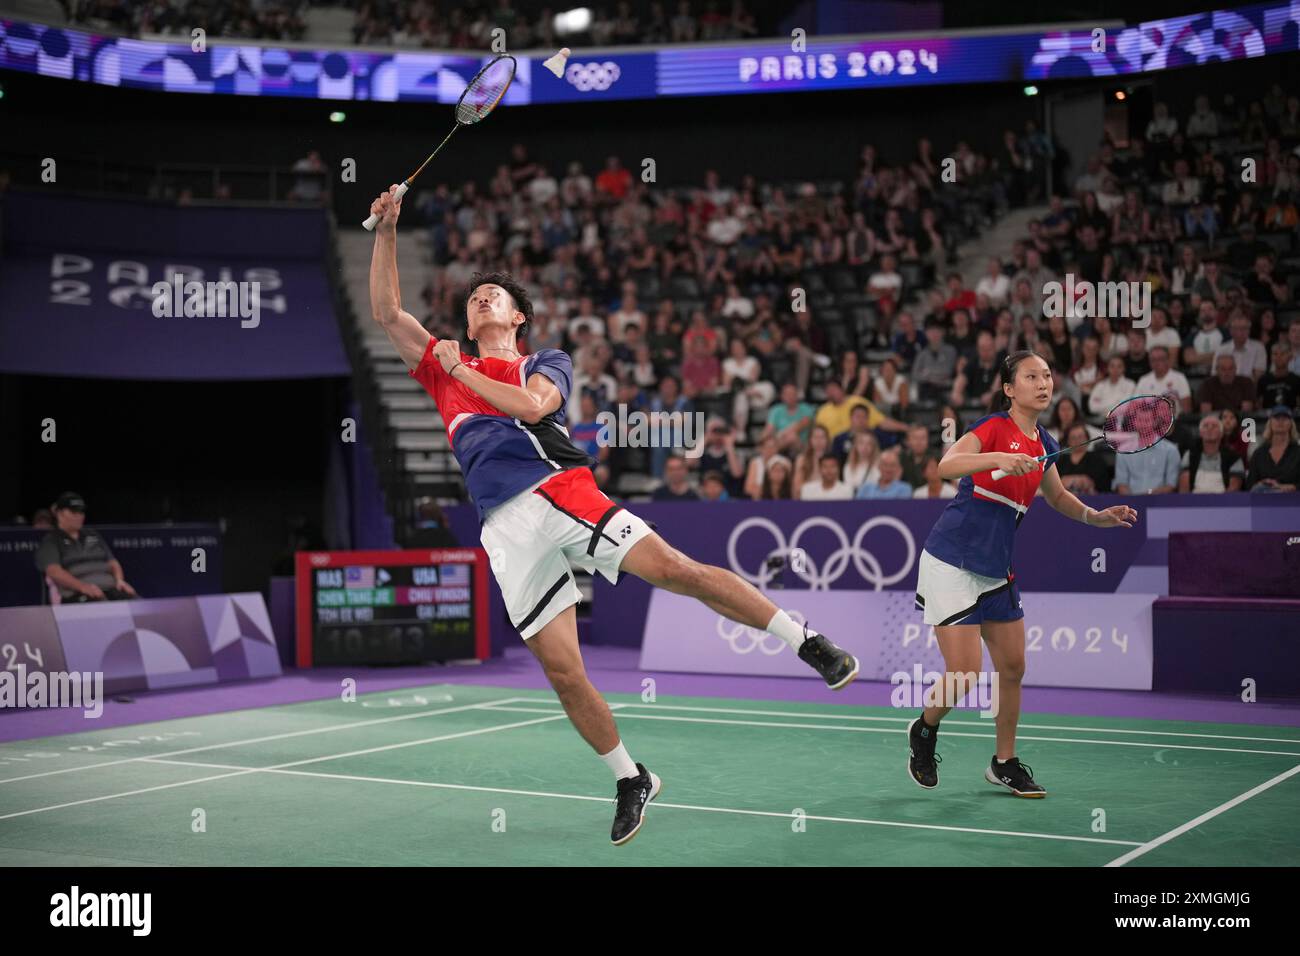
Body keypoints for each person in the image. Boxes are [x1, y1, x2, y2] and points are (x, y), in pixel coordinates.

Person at [368, 185, 859, 845]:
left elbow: (534, 409)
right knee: (564, 671)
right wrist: (387, 229)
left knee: (678, 570)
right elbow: (386, 309)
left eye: (495, 295)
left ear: (518, 318)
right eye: (473, 294)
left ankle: (805, 640)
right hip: (504, 527)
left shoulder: (546, 361)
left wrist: (465, 369)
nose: (480, 297)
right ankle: (631, 777)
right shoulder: (439, 366)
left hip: (561, 490)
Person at [908, 351, 1136, 797]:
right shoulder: (993, 427)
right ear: (1010, 389)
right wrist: (998, 459)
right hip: (953, 561)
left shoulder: (1045, 442)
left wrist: (1096, 518)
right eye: (1031, 376)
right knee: (965, 673)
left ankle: (1004, 762)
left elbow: (1058, 496)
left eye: (1048, 375)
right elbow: (946, 465)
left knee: (1013, 667)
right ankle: (924, 728)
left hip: (997, 568)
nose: (1043, 383)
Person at [35, 492, 138, 603]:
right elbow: (54, 572)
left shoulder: (93, 535)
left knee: (137, 605)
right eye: (73, 512)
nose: (79, 516)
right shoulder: (51, 540)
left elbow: (113, 563)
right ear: (59, 513)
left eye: (81, 512)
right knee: (104, 608)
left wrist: (120, 581)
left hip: (110, 589)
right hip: (77, 594)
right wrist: (83, 587)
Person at [1179, 414, 1245, 493]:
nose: (1210, 428)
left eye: (1214, 426)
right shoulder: (1190, 455)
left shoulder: (1234, 458)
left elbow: (1233, 489)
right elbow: (1184, 488)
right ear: (1200, 433)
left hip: (1223, 503)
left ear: (1221, 433)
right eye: (1206, 426)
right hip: (1194, 502)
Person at [1245, 406, 1300, 491]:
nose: (1280, 421)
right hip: (1264, 500)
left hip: (1293, 501)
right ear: (1270, 423)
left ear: (1291, 424)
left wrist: (1291, 487)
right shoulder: (1259, 454)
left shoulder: (1298, 452)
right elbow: (1249, 484)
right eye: (1277, 418)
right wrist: (1260, 483)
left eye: (1285, 418)